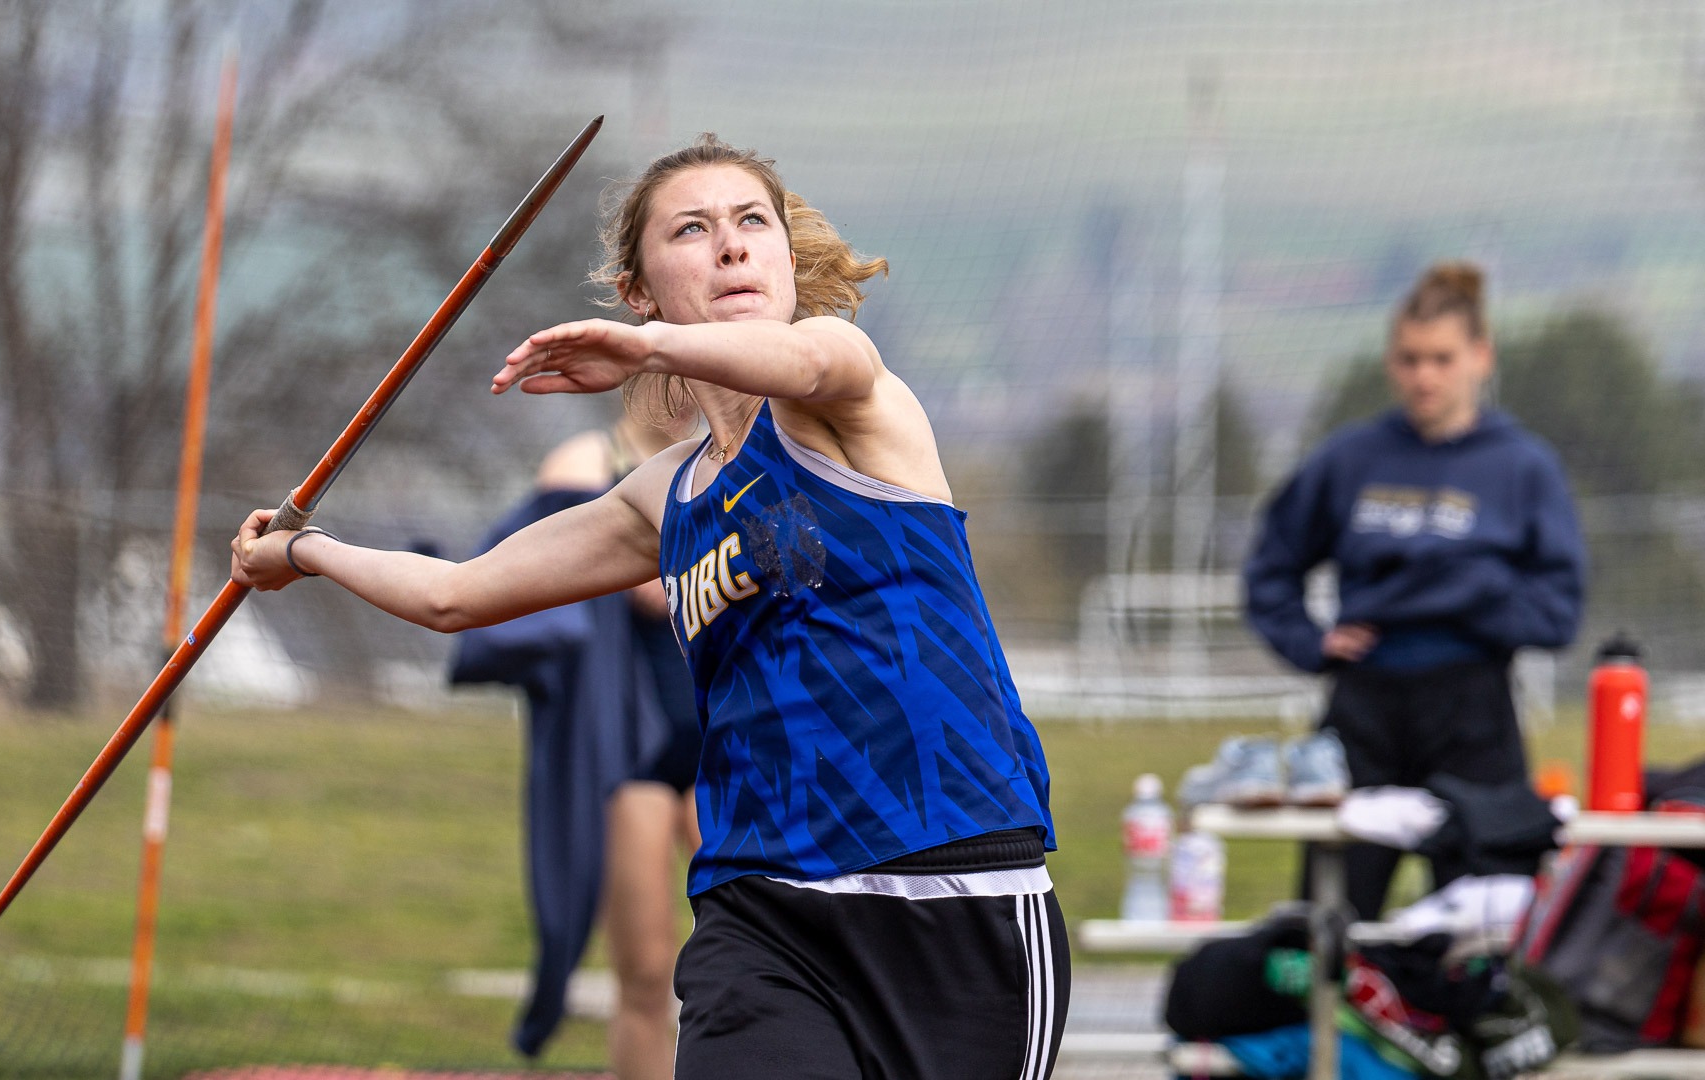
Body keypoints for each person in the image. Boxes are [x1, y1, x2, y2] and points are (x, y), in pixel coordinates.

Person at [232, 134, 1069, 1078]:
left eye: (754, 222)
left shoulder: (847, 388)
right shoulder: (660, 498)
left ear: (788, 259)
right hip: (764, 914)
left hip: (953, 891)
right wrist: (304, 551)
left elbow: (803, 363)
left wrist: (644, 351)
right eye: (693, 229)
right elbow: (455, 596)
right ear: (638, 284)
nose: (732, 246)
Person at [1242, 261, 1587, 920]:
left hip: (1473, 713)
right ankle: (1325, 1026)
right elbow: (1271, 570)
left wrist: (1472, 597)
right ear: (1391, 361)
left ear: (1480, 357)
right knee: (1330, 923)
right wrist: (1313, 643)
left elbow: (1557, 610)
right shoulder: (1350, 460)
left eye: (1442, 358)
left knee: (1484, 925)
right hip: (1364, 711)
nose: (1424, 376)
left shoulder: (1523, 466)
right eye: (1409, 359)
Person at [450, 411, 701, 1078]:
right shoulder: (588, 463)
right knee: (647, 972)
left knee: (756, 959)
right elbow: (584, 576)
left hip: (727, 743)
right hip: (632, 748)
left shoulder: (733, 450)